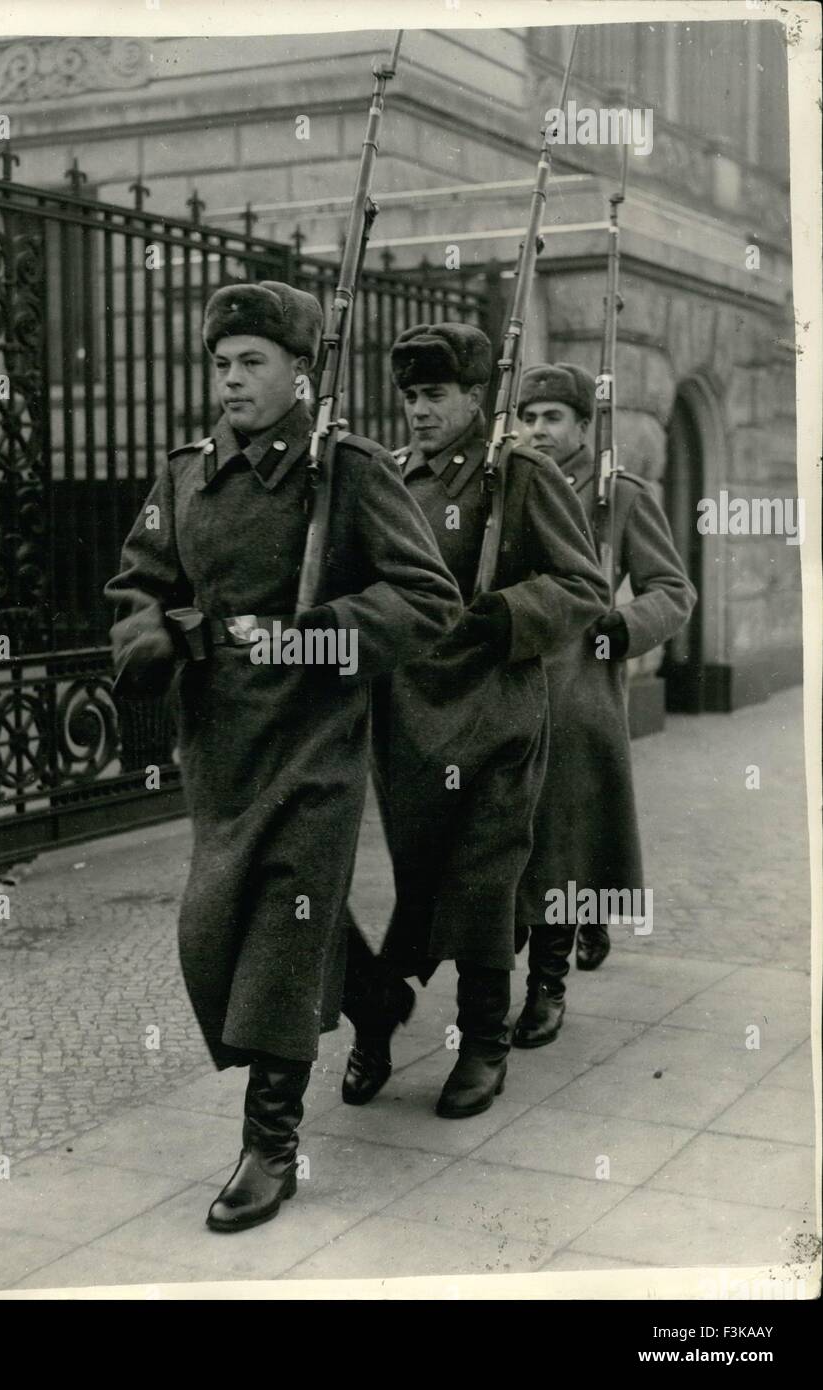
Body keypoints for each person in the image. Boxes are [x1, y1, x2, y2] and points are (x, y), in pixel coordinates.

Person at [104, 282, 462, 1232]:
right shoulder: (185, 475)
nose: (229, 382)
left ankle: (270, 1146)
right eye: (220, 364)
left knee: (279, 928)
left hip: (315, 746)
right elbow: (138, 585)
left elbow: (428, 597)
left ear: (300, 373)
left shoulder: (344, 471)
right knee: (223, 922)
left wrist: (320, 633)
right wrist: (160, 633)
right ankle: (378, 1001)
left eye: (251, 363)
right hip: (219, 747)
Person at [340, 323, 610, 1119]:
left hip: (497, 716)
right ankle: (377, 1014)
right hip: (411, 721)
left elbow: (582, 585)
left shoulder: (518, 476)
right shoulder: (388, 478)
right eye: (409, 397)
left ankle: (483, 1040)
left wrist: (506, 613)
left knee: (487, 883)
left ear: (471, 397)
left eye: (435, 396)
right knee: (421, 881)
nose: (419, 411)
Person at [512, 362, 696, 1046]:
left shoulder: (616, 496)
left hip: (579, 684)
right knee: (520, 830)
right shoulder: (506, 484)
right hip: (509, 679)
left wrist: (624, 625)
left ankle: (546, 986)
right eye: (528, 417)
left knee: (563, 826)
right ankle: (579, 913)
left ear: (584, 427)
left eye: (552, 418)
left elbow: (671, 590)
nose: (537, 430)